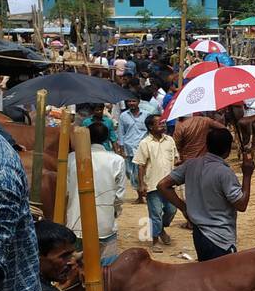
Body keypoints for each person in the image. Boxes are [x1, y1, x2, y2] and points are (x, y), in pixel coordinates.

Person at [157, 126, 255, 261]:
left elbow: (163, 185)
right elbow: (241, 204)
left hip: (199, 234)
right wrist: (247, 175)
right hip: (220, 238)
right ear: (227, 150)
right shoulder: (224, 172)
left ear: (207, 145)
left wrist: (183, 208)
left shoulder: (190, 165)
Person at [65, 120, 126, 265]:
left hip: (75, 221)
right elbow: (119, 194)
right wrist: (114, 212)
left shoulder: (71, 158)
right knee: (106, 267)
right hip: (105, 223)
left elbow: (66, 191)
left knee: (75, 267)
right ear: (106, 138)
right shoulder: (116, 160)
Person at [134, 114, 180, 247]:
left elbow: (175, 158)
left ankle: (160, 229)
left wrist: (179, 163)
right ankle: (155, 241)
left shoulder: (170, 140)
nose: (163, 125)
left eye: (164, 123)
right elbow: (141, 165)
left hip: (169, 184)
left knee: (171, 210)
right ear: (150, 127)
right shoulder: (145, 143)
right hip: (153, 185)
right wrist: (142, 184)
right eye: (160, 123)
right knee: (156, 214)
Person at [118, 98, 148, 202]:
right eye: (129, 101)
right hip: (129, 147)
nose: (131, 103)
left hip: (142, 147)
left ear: (139, 102)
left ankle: (142, 194)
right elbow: (121, 133)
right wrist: (121, 149)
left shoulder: (146, 115)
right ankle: (140, 192)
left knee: (140, 172)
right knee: (129, 172)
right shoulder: (123, 116)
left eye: (133, 101)